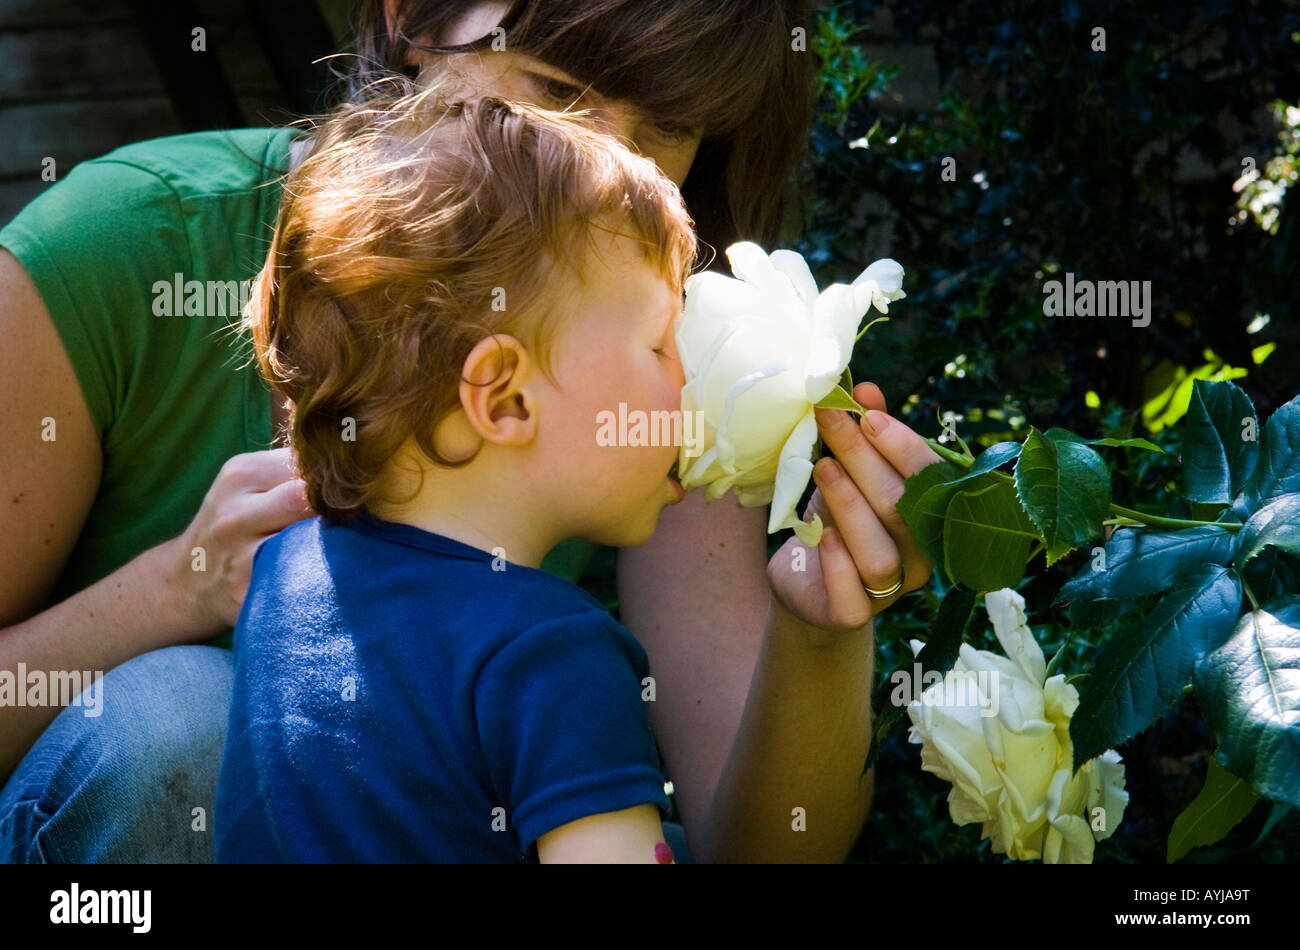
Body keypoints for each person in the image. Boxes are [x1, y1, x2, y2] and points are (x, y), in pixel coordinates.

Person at [0, 0, 939, 863]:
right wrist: (175, 587)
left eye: (661, 130)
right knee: (186, 724)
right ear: (413, 16)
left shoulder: (659, 359)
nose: (602, 162)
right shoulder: (119, 242)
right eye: (557, 93)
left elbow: (756, 850)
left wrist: (819, 633)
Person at [219, 78, 705, 862]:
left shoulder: (285, 575)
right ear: (505, 398)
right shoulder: (554, 653)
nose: (690, 376)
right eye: (660, 343)